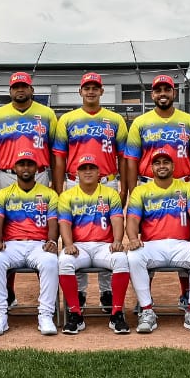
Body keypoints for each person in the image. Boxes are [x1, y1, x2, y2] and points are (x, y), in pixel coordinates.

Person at [124, 74, 190, 309]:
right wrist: (134, 191)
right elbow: (132, 160)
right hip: (148, 184)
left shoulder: (188, 121)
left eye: (167, 89)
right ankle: (144, 298)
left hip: (182, 184)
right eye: (158, 90)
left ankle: (187, 294)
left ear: (174, 93)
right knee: (146, 239)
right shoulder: (141, 122)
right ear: (152, 94)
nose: (163, 93)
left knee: (186, 239)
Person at [52, 71, 127, 314]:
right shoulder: (67, 119)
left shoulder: (115, 119)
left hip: (108, 181)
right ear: (80, 91)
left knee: (107, 235)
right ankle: (80, 292)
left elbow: (123, 156)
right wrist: (59, 186)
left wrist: (124, 186)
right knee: (76, 235)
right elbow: (60, 156)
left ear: (102, 91)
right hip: (75, 181)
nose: (91, 91)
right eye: (87, 87)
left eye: (95, 87)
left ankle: (107, 291)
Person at [124, 150, 190, 334]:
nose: (162, 166)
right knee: (133, 256)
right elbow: (132, 220)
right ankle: (147, 311)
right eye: (157, 163)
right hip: (152, 245)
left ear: (173, 166)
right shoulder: (141, 190)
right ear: (151, 168)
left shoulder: (186, 187)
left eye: (166, 162)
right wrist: (133, 239)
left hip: (181, 244)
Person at [0, 151, 60, 336]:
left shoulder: (49, 194)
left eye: (30, 164)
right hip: (12, 244)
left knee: (50, 261)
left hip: (38, 244)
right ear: (14, 168)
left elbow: (53, 222)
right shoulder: (3, 194)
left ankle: (46, 315)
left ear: (36, 168)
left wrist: (51, 241)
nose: (25, 168)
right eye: (21, 164)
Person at [57, 154, 132, 334]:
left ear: (99, 172)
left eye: (92, 168)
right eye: (84, 168)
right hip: (79, 246)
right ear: (77, 173)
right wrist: (68, 244)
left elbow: (117, 220)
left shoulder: (110, 194)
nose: (88, 171)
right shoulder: (67, 196)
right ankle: (75, 314)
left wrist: (117, 241)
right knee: (64, 261)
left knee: (121, 259)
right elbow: (64, 223)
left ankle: (116, 314)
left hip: (104, 246)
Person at [0, 71, 58, 189]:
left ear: (32, 90)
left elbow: (54, 151)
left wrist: (55, 183)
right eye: (15, 87)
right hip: (8, 176)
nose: (20, 90)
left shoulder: (47, 113)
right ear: (10, 91)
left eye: (24, 86)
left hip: (38, 175)